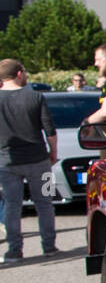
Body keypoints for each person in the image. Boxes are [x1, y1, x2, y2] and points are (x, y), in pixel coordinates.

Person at [0, 59, 57, 262]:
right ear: (18, 74)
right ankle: (49, 246)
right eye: (24, 71)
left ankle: (14, 250)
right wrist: (53, 152)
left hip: (6, 163)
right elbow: (49, 130)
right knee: (45, 203)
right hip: (39, 159)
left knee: (12, 206)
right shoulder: (35, 96)